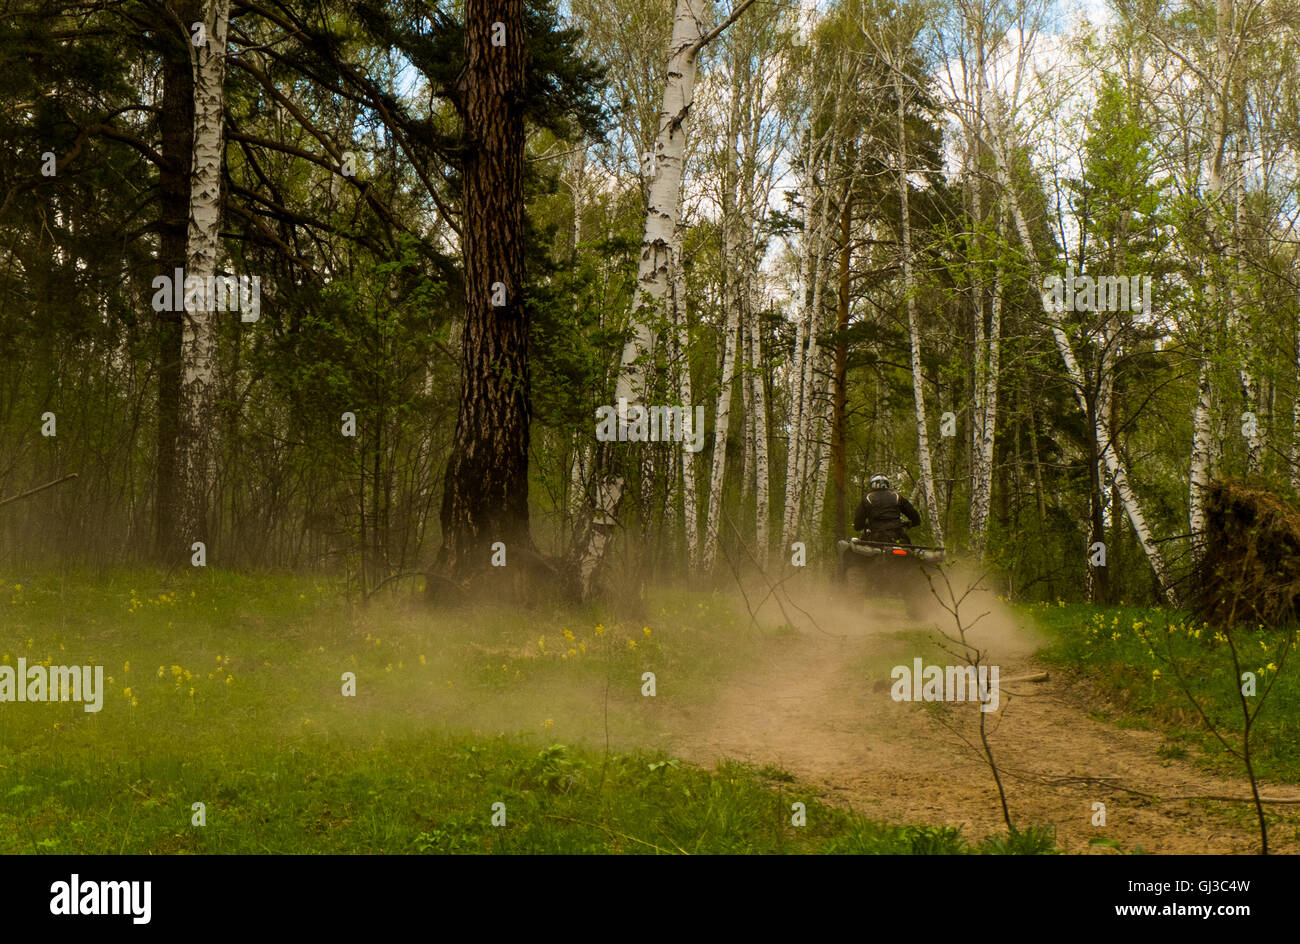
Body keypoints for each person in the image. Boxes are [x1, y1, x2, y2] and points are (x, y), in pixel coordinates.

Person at [853, 473, 922, 545]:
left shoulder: (867, 498)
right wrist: (909, 524)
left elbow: (858, 524)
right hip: (898, 537)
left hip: (876, 539)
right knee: (910, 552)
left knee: (861, 552)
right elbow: (916, 518)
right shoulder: (896, 497)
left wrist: (865, 525)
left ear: (872, 484)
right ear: (887, 484)